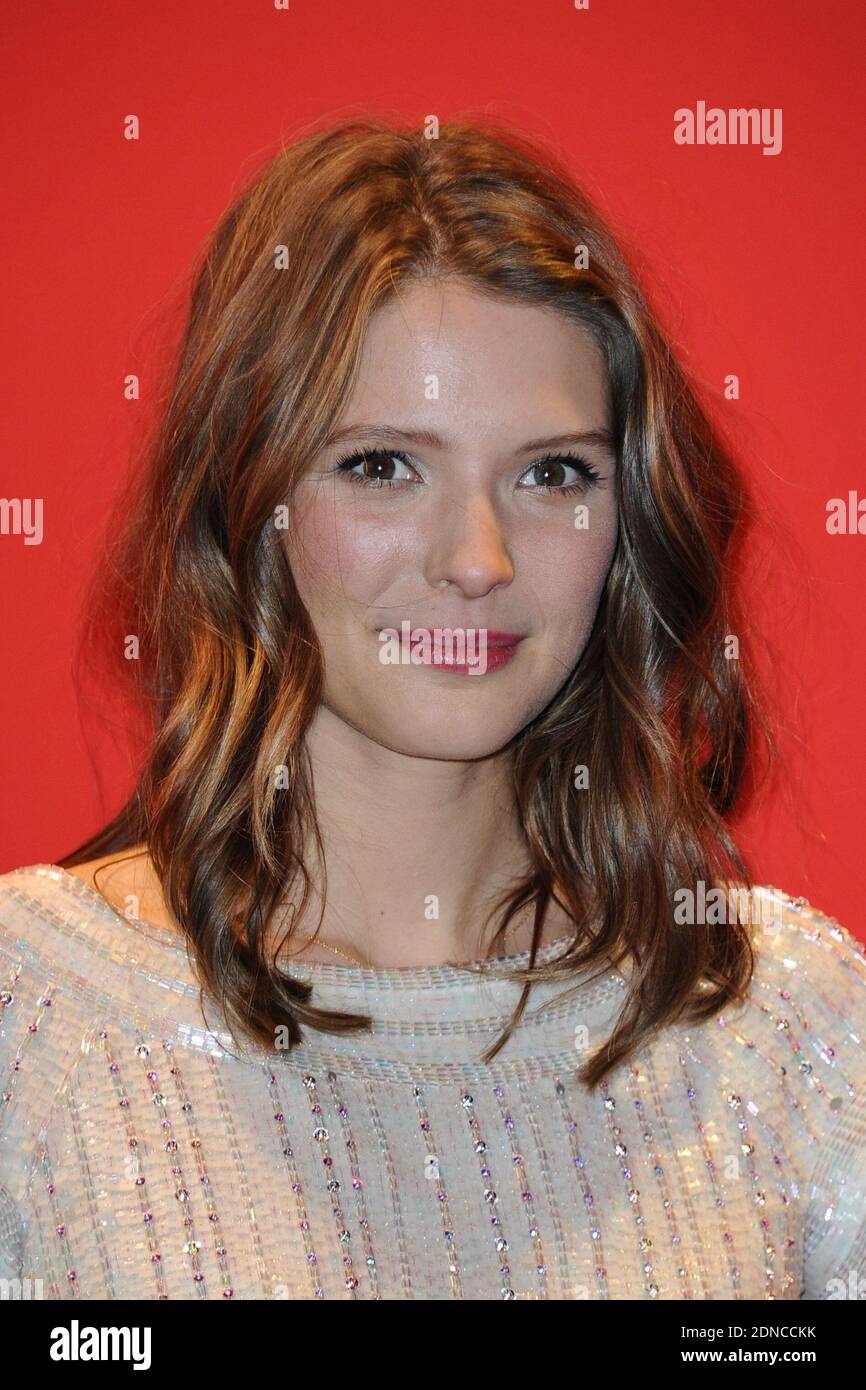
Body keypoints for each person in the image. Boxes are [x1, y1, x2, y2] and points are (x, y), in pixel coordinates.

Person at [1, 117, 864, 1301]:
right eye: (381, 465)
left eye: (552, 472)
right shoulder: (31, 1022)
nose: (477, 559)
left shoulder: (780, 1025)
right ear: (248, 501)